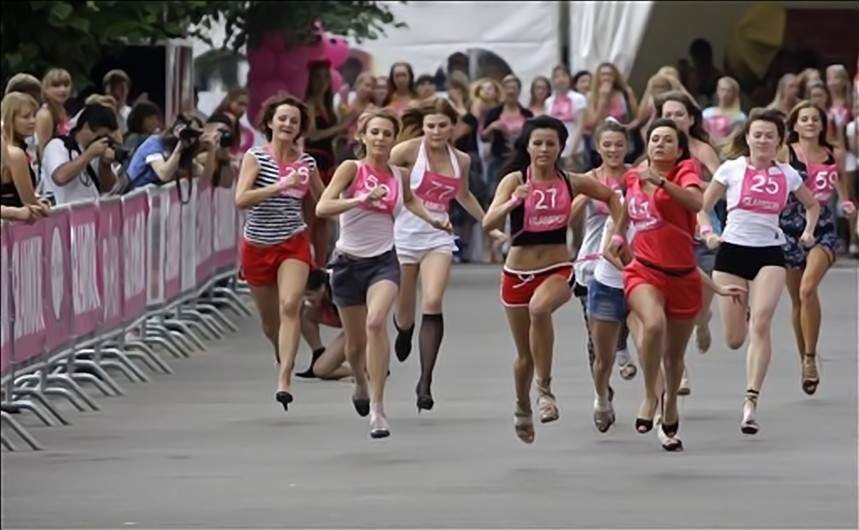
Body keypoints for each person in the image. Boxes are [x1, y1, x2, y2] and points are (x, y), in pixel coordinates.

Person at [482, 115, 621, 444]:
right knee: (523, 357)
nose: (544, 149)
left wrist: (618, 236)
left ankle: (545, 391)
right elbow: (488, 222)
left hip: (557, 269)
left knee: (540, 309)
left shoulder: (571, 181)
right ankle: (522, 405)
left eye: (551, 143)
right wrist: (514, 199)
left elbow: (614, 197)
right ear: (527, 146)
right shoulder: (514, 179)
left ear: (561, 147)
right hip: (516, 273)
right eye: (538, 143)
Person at [315, 108, 452, 439]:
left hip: (383, 261)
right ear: (363, 136)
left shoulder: (398, 174)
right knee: (355, 342)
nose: (380, 139)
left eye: (387, 134)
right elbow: (322, 207)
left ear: (394, 140)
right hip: (347, 262)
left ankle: (378, 407)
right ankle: (360, 381)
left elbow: (411, 201)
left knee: (376, 322)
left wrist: (433, 220)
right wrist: (360, 199)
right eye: (374, 132)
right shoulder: (352, 169)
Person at [700, 108, 820, 435]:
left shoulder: (787, 174)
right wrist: (708, 232)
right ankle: (724, 318)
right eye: (758, 135)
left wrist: (809, 231)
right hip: (732, 253)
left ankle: (751, 400)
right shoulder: (731, 169)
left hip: (769, 251)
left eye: (770, 135)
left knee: (763, 322)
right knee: (736, 338)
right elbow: (703, 206)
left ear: (780, 140)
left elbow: (813, 204)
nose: (764, 141)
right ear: (748, 138)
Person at [389, 98, 505, 411]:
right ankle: (404, 329)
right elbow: (386, 182)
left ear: (452, 127)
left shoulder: (461, 160)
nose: (437, 132)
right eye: (431, 126)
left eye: (443, 125)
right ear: (422, 127)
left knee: (432, 300)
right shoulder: (407, 151)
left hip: (438, 236)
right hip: (403, 235)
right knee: (405, 310)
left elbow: (463, 195)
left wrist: (489, 224)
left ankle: (425, 381)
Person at [606, 119, 704, 452]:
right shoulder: (633, 176)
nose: (659, 145)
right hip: (644, 270)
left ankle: (670, 404)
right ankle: (651, 395)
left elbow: (695, 204)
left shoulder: (685, 171)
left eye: (667, 140)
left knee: (674, 357)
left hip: (683, 275)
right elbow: (625, 212)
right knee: (653, 323)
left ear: (678, 148)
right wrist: (618, 235)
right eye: (654, 139)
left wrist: (661, 181)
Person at [235, 94, 325, 413]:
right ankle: (280, 354)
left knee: (291, 305)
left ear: (301, 129)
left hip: (293, 241)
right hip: (257, 245)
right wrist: (279, 185)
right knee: (271, 322)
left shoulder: (307, 163)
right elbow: (241, 199)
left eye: (294, 121)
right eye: (282, 118)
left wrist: (358, 207)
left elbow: (323, 201)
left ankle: (285, 378)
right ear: (270, 122)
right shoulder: (255, 157)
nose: (288, 124)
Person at [778, 101, 854, 395]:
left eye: (814, 119)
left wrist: (847, 206)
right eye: (804, 119)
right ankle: (805, 360)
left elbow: (844, 192)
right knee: (798, 299)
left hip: (822, 225)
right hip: (789, 226)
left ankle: (811, 357)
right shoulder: (785, 152)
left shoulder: (834, 152)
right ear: (795, 125)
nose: (809, 123)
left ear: (822, 124)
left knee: (809, 288)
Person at [655, 90, 722, 394]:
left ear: (691, 118)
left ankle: (703, 321)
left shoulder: (700, 149)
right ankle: (678, 371)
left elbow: (726, 183)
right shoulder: (655, 153)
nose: (672, 119)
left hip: (704, 225)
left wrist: (692, 187)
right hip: (670, 230)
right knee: (671, 306)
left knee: (699, 302)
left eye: (678, 114)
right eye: (667, 114)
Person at [569, 119, 638, 403]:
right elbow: (567, 215)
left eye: (619, 144)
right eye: (607, 144)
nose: (613, 150)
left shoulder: (636, 175)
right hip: (592, 259)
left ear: (627, 146)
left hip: (630, 256)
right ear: (598, 147)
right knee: (595, 332)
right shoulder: (590, 179)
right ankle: (602, 391)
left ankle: (621, 345)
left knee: (628, 313)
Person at [41, 103, 119, 204]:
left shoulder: (100, 149)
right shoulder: (58, 145)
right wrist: (89, 154)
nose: (102, 140)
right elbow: (60, 177)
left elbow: (107, 188)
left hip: (92, 213)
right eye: (100, 135)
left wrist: (105, 165)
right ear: (86, 127)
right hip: (63, 214)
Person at [126, 113, 219, 190]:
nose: (191, 138)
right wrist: (179, 147)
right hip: (132, 197)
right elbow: (164, 174)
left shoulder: (184, 152)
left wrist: (211, 150)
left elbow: (205, 178)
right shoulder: (154, 144)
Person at [294, 268, 352, 380]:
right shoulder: (323, 284)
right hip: (342, 316)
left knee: (320, 370)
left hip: (359, 325)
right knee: (304, 313)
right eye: (303, 295)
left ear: (322, 288)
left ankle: (369, 368)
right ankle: (318, 353)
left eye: (309, 294)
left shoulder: (340, 289)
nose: (306, 299)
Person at [1, 92, 43, 207]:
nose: (33, 120)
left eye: (34, 115)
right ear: (10, 119)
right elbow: (30, 204)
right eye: (26, 116)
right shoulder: (15, 154)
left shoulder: (11, 150)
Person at [544, 65, 588, 172]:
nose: (560, 80)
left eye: (563, 76)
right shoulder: (549, 102)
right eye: (556, 77)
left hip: (575, 149)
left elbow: (580, 126)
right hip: (555, 151)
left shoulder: (578, 99)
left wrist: (571, 152)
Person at [585, 63, 638, 129]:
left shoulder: (626, 92)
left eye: (610, 74)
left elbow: (638, 116)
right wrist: (603, 100)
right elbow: (591, 123)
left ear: (615, 76)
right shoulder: (591, 96)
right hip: (602, 135)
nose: (606, 78)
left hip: (624, 133)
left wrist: (629, 126)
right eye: (603, 74)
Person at [35, 68, 73, 159]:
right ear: (46, 90)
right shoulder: (45, 115)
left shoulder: (63, 110)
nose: (63, 89)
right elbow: (43, 151)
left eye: (66, 85)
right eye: (56, 85)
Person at [703, 77, 747, 147]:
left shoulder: (740, 117)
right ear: (717, 91)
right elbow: (703, 132)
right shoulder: (707, 113)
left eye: (728, 91)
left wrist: (721, 144)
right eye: (722, 90)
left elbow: (735, 137)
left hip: (728, 150)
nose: (725, 94)